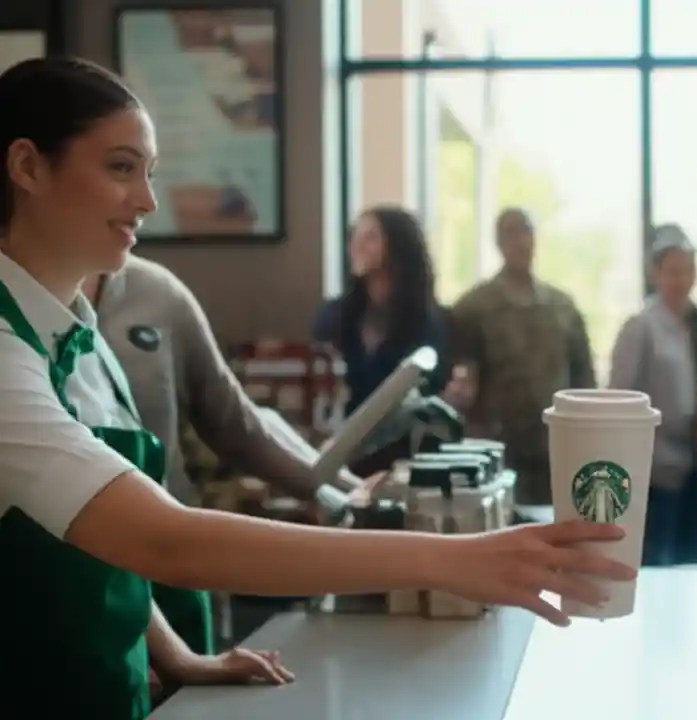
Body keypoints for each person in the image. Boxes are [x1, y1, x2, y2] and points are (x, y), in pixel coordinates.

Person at [0, 56, 631, 720]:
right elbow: (163, 539)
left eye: (150, 174)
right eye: (121, 168)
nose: (148, 201)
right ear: (28, 166)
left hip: (110, 687)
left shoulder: (82, 334)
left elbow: (96, 531)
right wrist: (448, 560)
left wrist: (177, 655)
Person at [81, 253, 372, 659]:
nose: (147, 201)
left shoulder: (157, 293)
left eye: (149, 183)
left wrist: (345, 491)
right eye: (121, 182)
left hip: (170, 560)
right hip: (65, 580)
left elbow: (237, 422)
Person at [450, 207, 596, 505]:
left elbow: (584, 379)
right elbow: (463, 381)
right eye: (511, 233)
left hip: (556, 446)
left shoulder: (562, 308)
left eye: (526, 232)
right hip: (498, 448)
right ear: (498, 242)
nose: (520, 242)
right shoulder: (474, 308)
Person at [608, 225, 697, 566]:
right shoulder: (641, 327)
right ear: (656, 274)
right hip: (652, 463)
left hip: (690, 460)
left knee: (690, 559)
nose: (680, 280)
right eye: (671, 272)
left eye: (686, 271)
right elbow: (620, 395)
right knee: (654, 557)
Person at [313, 206, 451, 414]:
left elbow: (436, 392)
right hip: (343, 437)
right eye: (354, 237)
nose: (356, 245)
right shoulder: (334, 316)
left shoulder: (431, 322)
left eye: (370, 237)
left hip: (408, 438)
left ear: (399, 246)